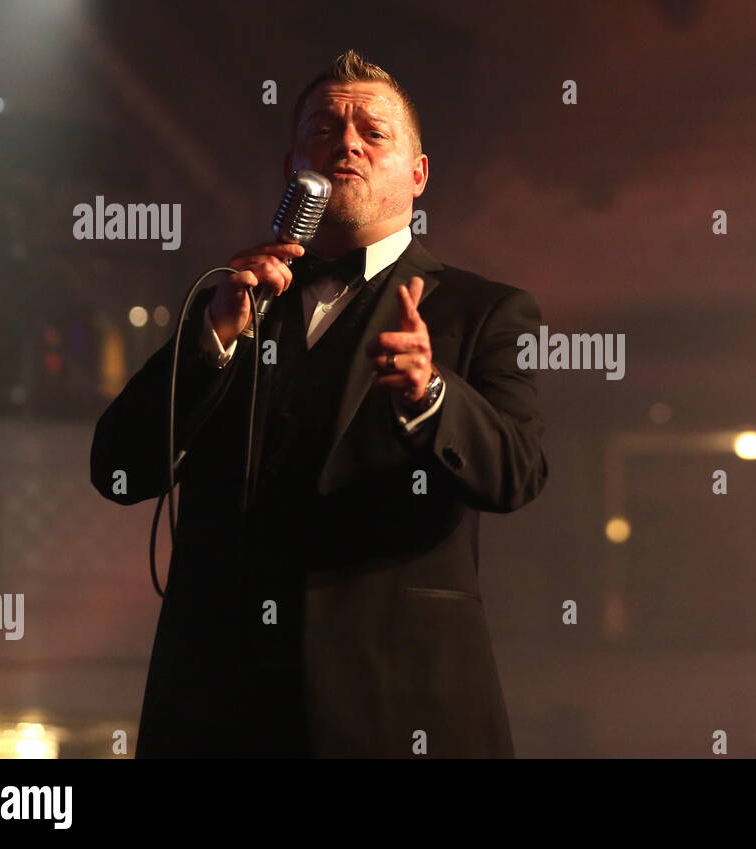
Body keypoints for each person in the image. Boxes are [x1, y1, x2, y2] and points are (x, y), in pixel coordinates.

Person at [90, 50, 548, 758]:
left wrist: (431, 395)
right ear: (292, 164)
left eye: (373, 130)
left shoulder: (483, 310)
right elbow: (118, 466)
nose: (348, 143)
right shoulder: (233, 298)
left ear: (418, 174)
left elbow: (517, 471)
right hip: (219, 705)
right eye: (324, 129)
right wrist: (212, 338)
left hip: (394, 701)